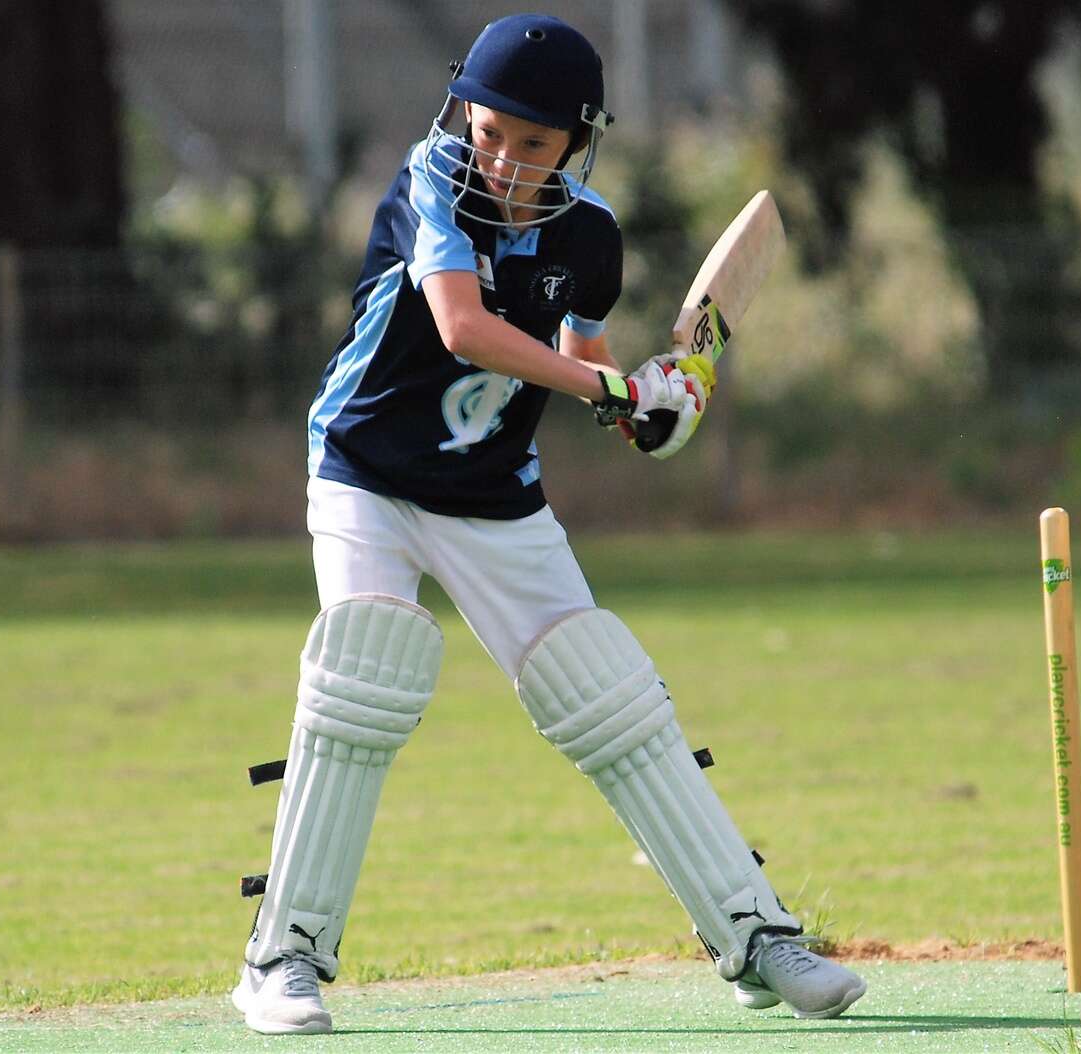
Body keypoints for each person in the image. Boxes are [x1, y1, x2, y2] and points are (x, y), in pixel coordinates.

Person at [231, 13, 866, 1035]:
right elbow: (464, 329)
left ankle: (756, 939)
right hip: (364, 471)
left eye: (532, 141)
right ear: (462, 113)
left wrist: (644, 411)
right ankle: (281, 958)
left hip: (496, 495)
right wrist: (608, 386)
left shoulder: (590, 235)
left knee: (609, 692)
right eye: (489, 128)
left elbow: (583, 355)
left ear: (575, 143)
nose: (502, 155)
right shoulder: (426, 184)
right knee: (367, 664)